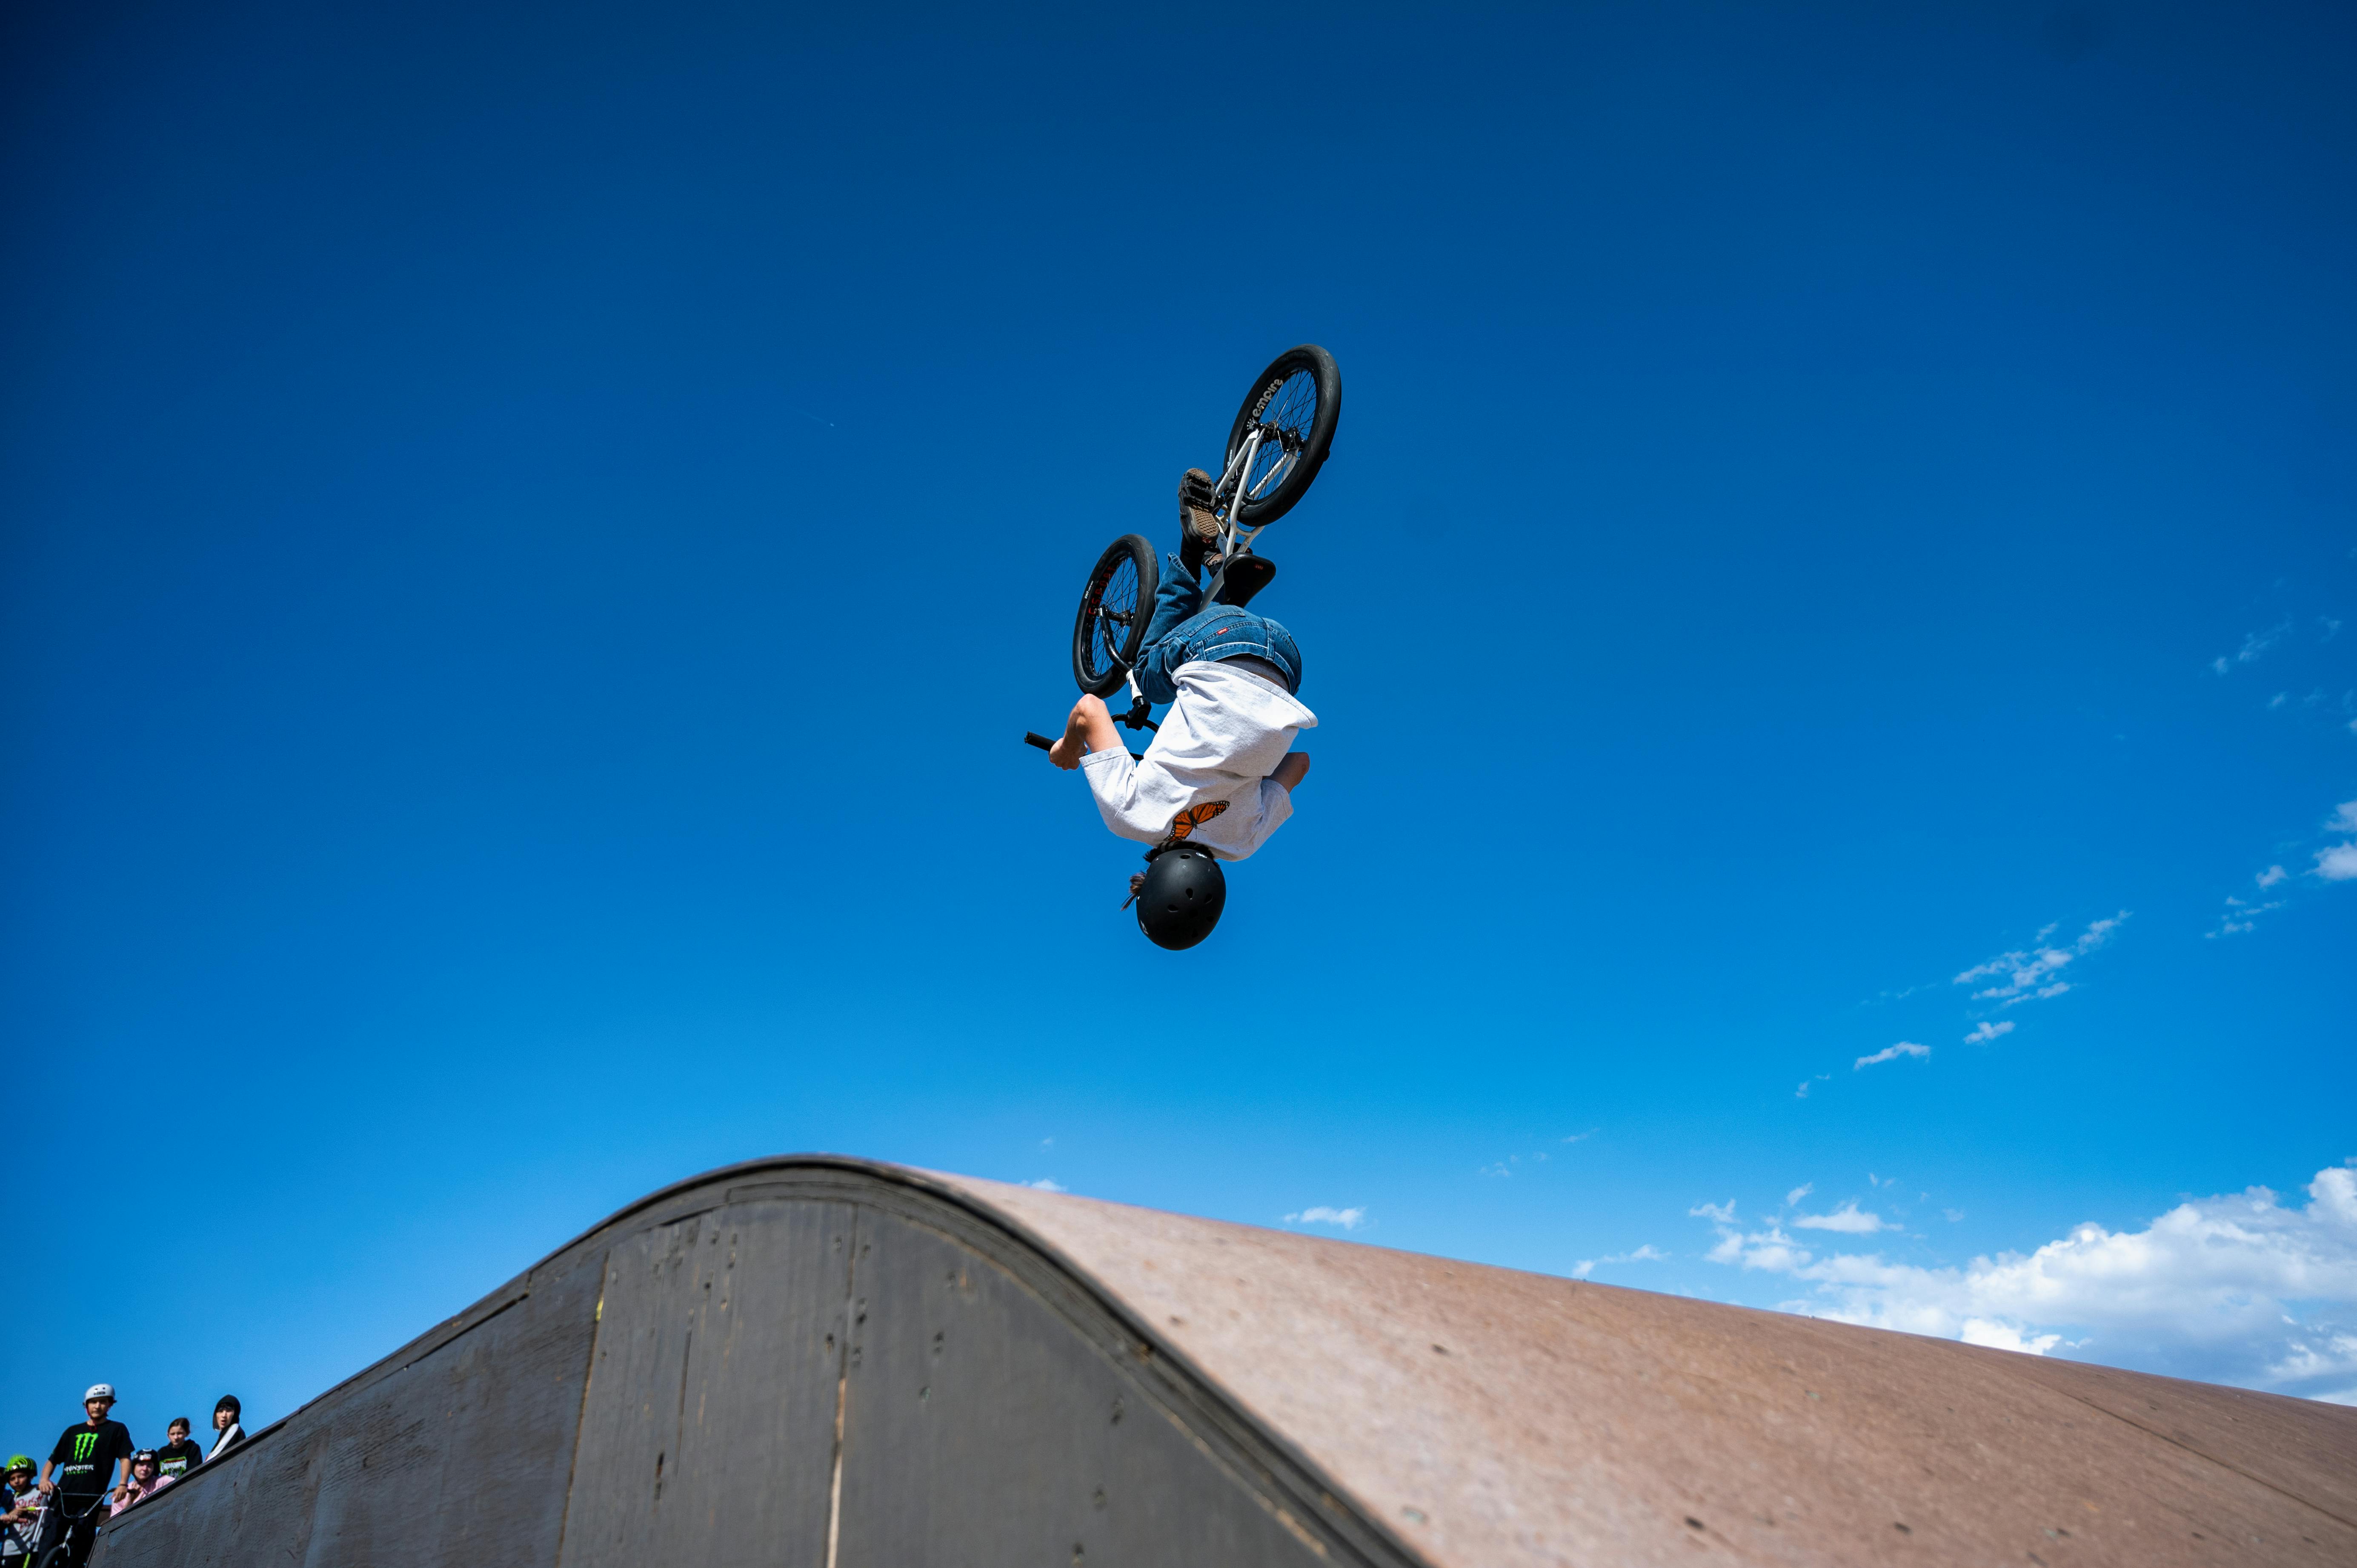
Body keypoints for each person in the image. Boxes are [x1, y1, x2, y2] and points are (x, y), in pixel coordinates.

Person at [1047, 469, 1315, 949]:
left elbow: (1300, 764)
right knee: (1149, 674)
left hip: (1287, 663)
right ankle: (1193, 552)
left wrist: (1243, 759)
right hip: (1213, 647)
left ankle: (1227, 579)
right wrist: (1068, 748)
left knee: (1214, 678)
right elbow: (1090, 708)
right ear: (1148, 881)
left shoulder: (1244, 842)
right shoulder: (1131, 816)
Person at [38, 1384, 132, 1567]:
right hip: (63, 1496)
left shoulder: (117, 1429)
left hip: (91, 1497)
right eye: (93, 1402)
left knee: (80, 1544)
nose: (98, 1406)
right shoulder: (72, 1431)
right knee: (49, 1542)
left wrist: (123, 1484)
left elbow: (125, 1458)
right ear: (86, 1406)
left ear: (110, 1405)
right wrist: (44, 1479)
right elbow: (53, 1460)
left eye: (103, 1402)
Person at [0, 1458, 39, 1568]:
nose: (17, 1481)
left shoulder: (40, 1491)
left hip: (33, 1549)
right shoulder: (9, 1499)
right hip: (11, 1550)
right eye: (12, 1479)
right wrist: (11, 1515)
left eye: (21, 1477)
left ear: (31, 1476)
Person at [108, 1452, 164, 1517]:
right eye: (141, 1465)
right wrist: (130, 1501)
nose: (145, 1469)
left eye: (149, 1465)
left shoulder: (162, 1481)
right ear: (133, 1467)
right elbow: (116, 1522)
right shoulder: (122, 1492)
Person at [154, 1419, 202, 1483]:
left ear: (187, 1433)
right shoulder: (162, 1453)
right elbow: (153, 1476)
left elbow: (195, 1472)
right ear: (168, 1435)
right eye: (173, 1434)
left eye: (180, 1433)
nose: (176, 1437)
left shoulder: (193, 1448)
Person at [206, 1396, 245, 1462]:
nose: (224, 1415)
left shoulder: (235, 1429)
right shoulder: (224, 1435)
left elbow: (213, 1459)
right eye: (221, 1411)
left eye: (229, 1411)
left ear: (235, 1414)